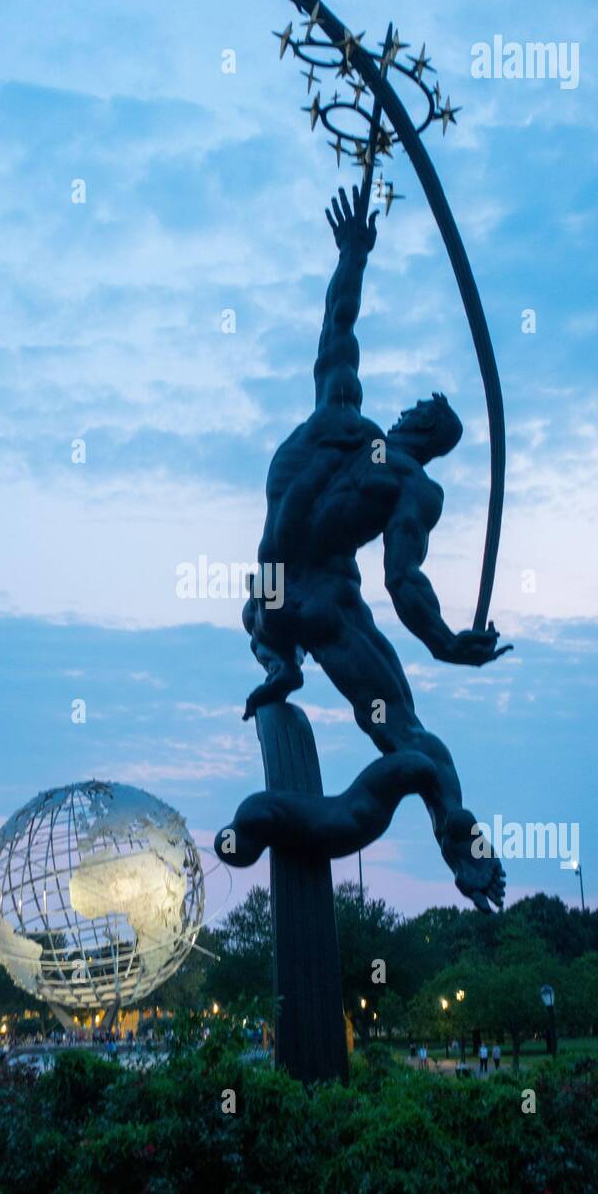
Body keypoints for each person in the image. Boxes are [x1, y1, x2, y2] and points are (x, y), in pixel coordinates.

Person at [217, 183, 510, 913]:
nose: (414, 406)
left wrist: (353, 251)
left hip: (280, 596)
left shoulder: (342, 414)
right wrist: (443, 643)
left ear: (423, 426)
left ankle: (278, 664)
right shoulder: (393, 468)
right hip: (319, 602)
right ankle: (452, 824)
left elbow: (338, 325)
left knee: (397, 725)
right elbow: (404, 582)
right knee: (408, 733)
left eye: (424, 409)